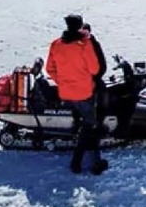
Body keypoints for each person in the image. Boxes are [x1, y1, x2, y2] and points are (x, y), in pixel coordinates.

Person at [45, 14, 108, 175]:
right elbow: (95, 69)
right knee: (90, 123)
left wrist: (62, 81)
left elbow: (50, 68)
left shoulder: (56, 44)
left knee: (79, 117)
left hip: (65, 92)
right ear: (80, 26)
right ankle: (77, 161)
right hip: (84, 92)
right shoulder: (84, 45)